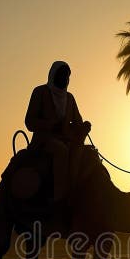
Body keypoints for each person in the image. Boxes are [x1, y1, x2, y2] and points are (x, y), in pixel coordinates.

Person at [24, 61, 91, 205]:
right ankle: (59, 197)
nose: (65, 79)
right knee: (61, 151)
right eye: (62, 75)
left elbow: (78, 122)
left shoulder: (70, 98)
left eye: (67, 76)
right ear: (53, 75)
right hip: (44, 141)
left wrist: (84, 127)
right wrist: (51, 126)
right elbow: (29, 121)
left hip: (66, 140)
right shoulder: (40, 92)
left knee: (88, 153)